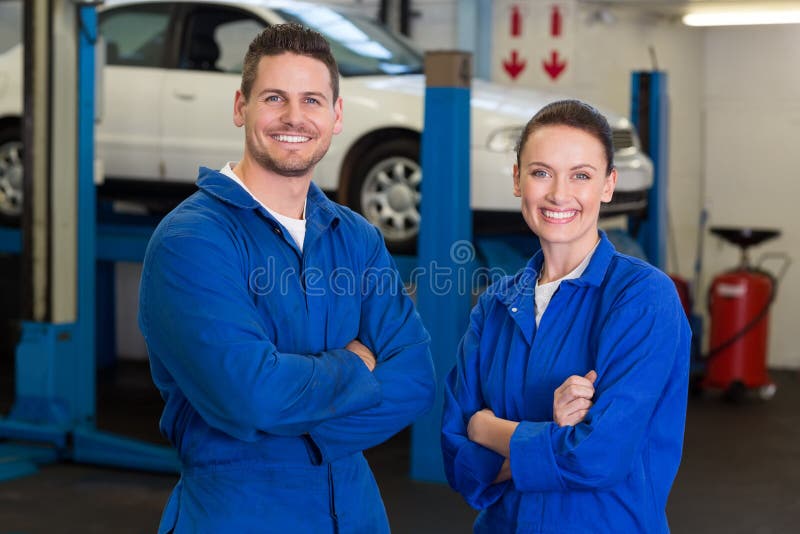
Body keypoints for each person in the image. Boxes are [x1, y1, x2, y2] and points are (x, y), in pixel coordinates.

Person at [138, 24, 435, 533]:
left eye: (312, 100)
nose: (295, 117)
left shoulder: (356, 238)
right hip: (238, 515)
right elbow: (249, 394)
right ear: (241, 107)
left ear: (336, 115)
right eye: (275, 97)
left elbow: (414, 377)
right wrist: (355, 365)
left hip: (356, 514)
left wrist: (291, 427)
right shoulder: (191, 242)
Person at [441, 99, 690, 532]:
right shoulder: (495, 306)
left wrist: (488, 429)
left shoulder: (643, 297)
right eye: (541, 172)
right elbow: (459, 462)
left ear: (608, 185)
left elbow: (598, 457)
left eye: (581, 175)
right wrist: (552, 437)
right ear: (518, 179)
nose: (559, 193)